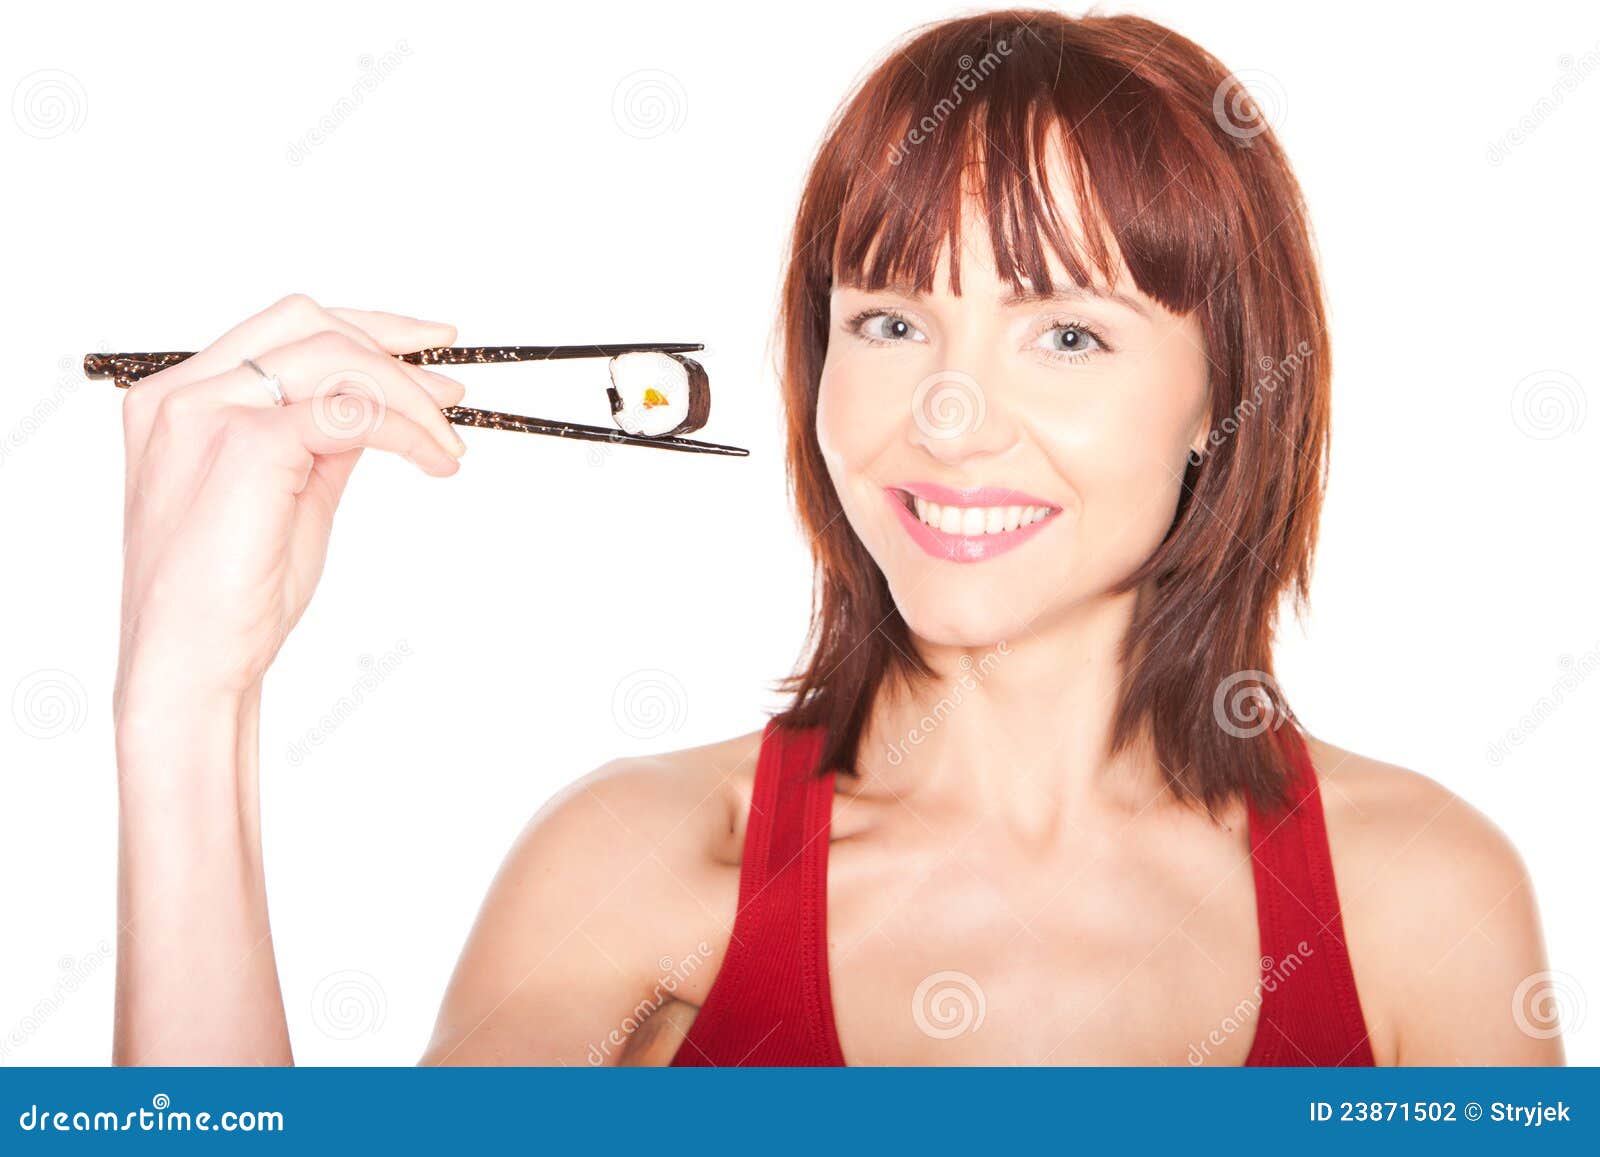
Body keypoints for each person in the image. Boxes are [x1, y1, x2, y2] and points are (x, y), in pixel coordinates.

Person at [111, 8, 1562, 1066]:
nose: (944, 414)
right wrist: (188, 705)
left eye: (1065, 331)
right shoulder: (635, 867)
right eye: (887, 316)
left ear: (1225, 398)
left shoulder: (1419, 901)